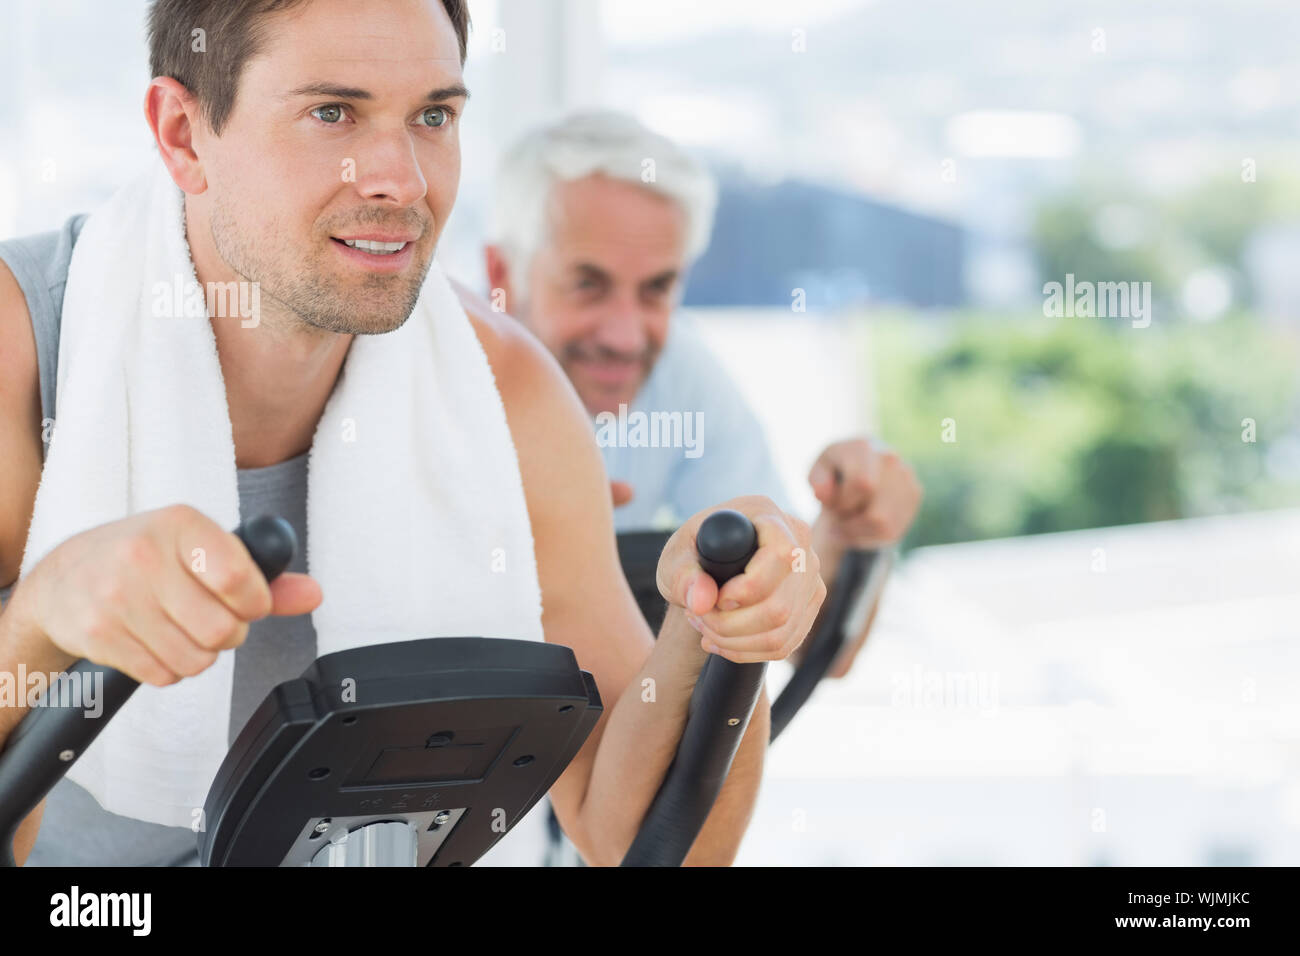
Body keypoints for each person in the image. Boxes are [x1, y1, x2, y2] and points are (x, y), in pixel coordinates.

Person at [0, 0, 826, 868]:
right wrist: (43, 618)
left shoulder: (507, 388)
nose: (401, 180)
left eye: (433, 116)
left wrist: (726, 630)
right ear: (182, 134)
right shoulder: (27, 351)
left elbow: (642, 840)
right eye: (333, 113)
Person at [484, 110, 923, 681]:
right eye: (588, 285)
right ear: (502, 275)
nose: (625, 335)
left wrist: (851, 535)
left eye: (656, 290)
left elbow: (812, 647)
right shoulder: (422, 379)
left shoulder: (681, 377)